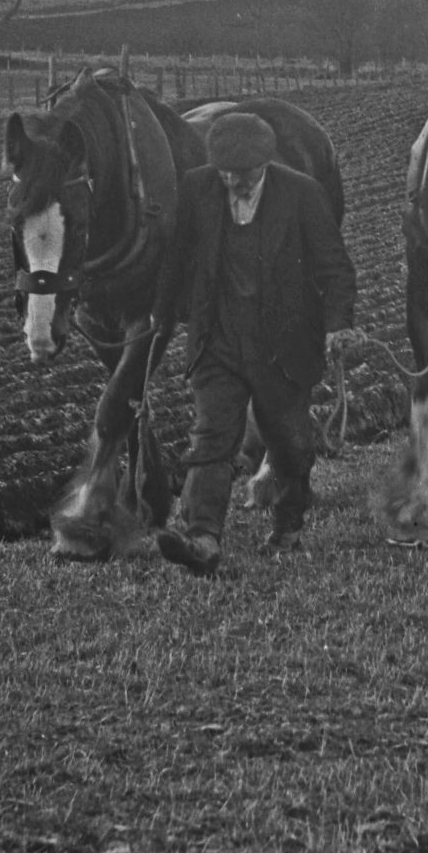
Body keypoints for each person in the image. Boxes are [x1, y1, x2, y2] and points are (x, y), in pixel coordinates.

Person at [153, 110, 362, 576]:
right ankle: (202, 536)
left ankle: (288, 523)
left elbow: (335, 267)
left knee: (289, 443)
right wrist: (160, 316)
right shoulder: (197, 189)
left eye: (243, 175)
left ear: (265, 165)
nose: (232, 183)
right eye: (225, 174)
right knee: (211, 436)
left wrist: (338, 325)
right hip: (218, 340)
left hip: (282, 346)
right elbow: (176, 261)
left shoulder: (302, 194)